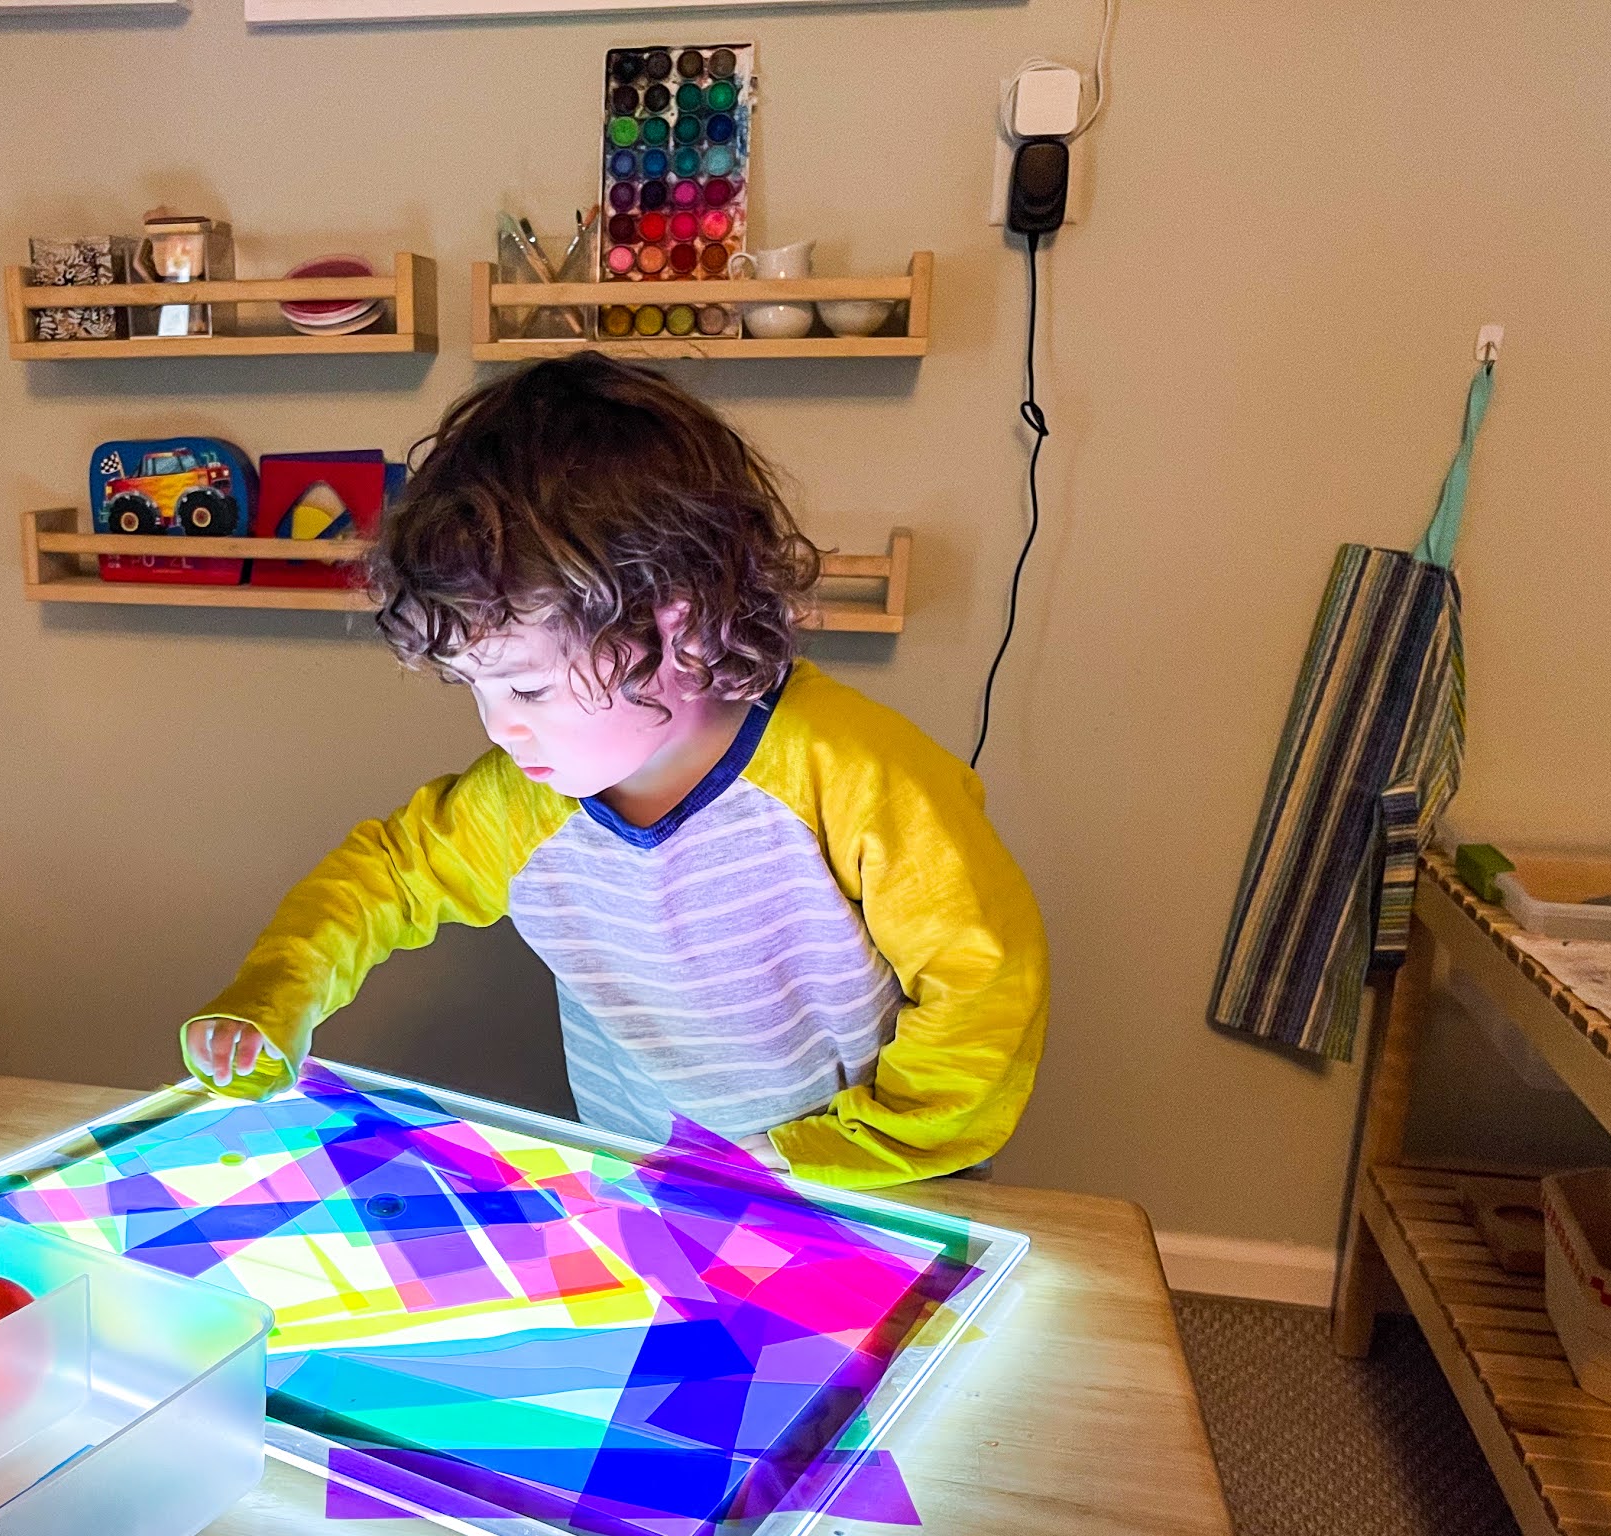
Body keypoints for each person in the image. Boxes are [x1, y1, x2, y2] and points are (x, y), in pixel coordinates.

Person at [180, 353, 1048, 1189]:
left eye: (527, 683)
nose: (500, 725)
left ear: (684, 627)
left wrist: (873, 1136)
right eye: (472, 685)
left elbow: (985, 981)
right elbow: (385, 878)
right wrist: (274, 998)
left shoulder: (856, 774)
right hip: (653, 1182)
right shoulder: (523, 801)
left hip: (870, 1185)